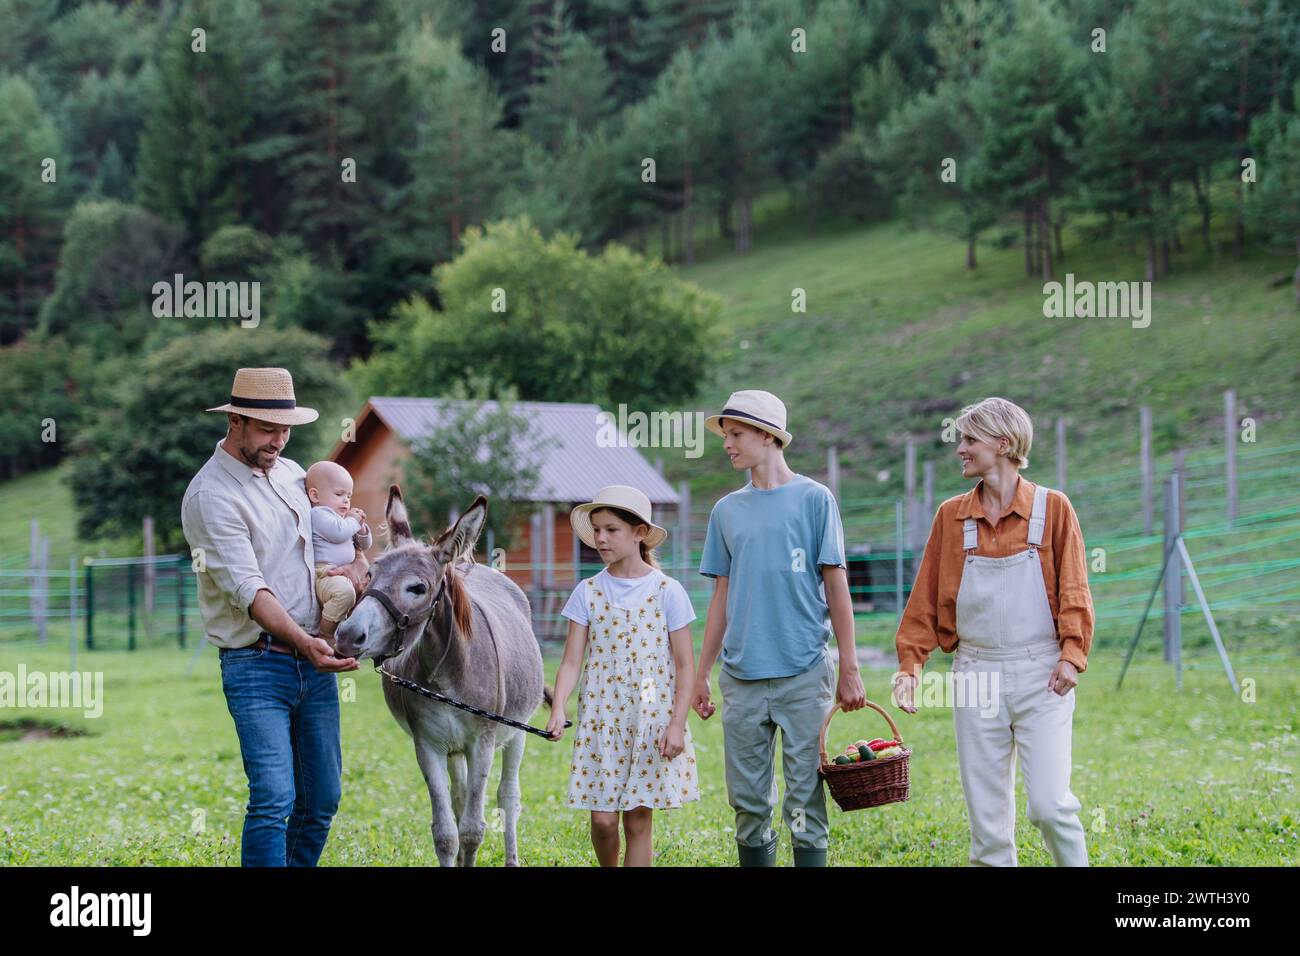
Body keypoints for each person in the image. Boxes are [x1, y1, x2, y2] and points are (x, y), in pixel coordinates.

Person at [894, 396, 1093, 867]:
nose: (960, 448)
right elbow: (925, 598)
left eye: (969, 439)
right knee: (987, 823)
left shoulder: (1053, 509)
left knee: (1050, 806)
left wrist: (1071, 653)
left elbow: (1076, 589)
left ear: (1003, 444)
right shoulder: (952, 516)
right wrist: (910, 664)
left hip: (1041, 673)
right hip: (974, 673)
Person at [180, 367, 365, 867]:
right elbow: (250, 590)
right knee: (273, 800)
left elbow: (325, 544)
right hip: (256, 664)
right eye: (267, 429)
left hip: (314, 659)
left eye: (285, 430)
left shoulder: (291, 474)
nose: (278, 441)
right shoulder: (211, 495)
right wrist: (307, 644)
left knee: (322, 798)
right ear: (236, 421)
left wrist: (355, 565)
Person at [691, 389, 866, 868]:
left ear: (768, 436)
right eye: (726, 435)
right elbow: (721, 598)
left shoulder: (814, 500)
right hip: (742, 676)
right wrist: (701, 673)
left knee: (806, 797)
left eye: (736, 434)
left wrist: (849, 665)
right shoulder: (726, 512)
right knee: (747, 802)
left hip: (804, 670)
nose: (727, 444)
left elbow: (836, 585)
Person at [546, 484, 700, 866]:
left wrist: (676, 724)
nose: (600, 538)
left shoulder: (668, 591)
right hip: (601, 717)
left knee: (637, 819)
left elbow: (684, 665)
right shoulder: (588, 591)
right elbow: (570, 662)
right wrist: (557, 707)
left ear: (639, 533)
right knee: (602, 821)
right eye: (596, 529)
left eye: (611, 529)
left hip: (650, 716)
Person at [305, 460, 372, 646]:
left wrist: (362, 529)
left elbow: (364, 545)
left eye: (349, 496)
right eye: (339, 494)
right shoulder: (319, 514)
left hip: (341, 573)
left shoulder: (343, 520)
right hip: (324, 573)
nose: (346, 501)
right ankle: (325, 634)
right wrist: (352, 521)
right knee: (343, 593)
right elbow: (338, 533)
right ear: (315, 495)